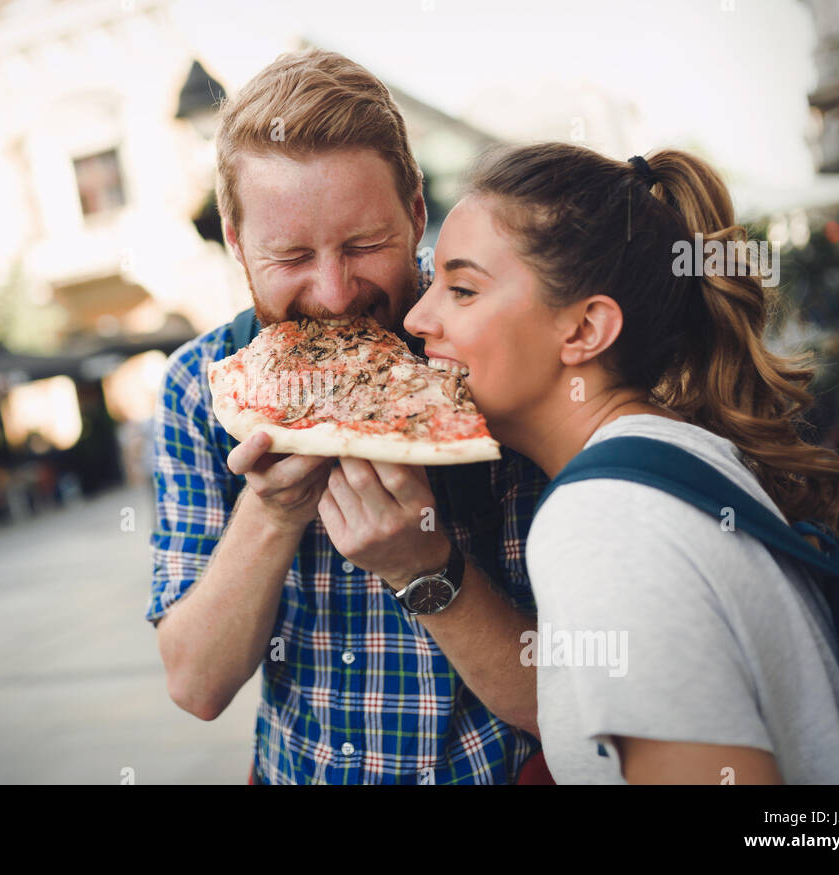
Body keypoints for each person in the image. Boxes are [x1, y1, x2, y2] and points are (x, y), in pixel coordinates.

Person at [381, 141, 839, 783]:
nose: (418, 317)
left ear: (586, 330)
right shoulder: (675, 455)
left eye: (462, 289)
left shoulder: (604, 522)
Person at [147, 47, 549, 785]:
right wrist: (270, 512)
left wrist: (426, 568)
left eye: (365, 245)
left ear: (417, 212)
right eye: (291, 255)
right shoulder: (197, 387)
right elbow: (196, 685)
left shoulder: (494, 348)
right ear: (237, 243)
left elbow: (562, 701)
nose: (333, 294)